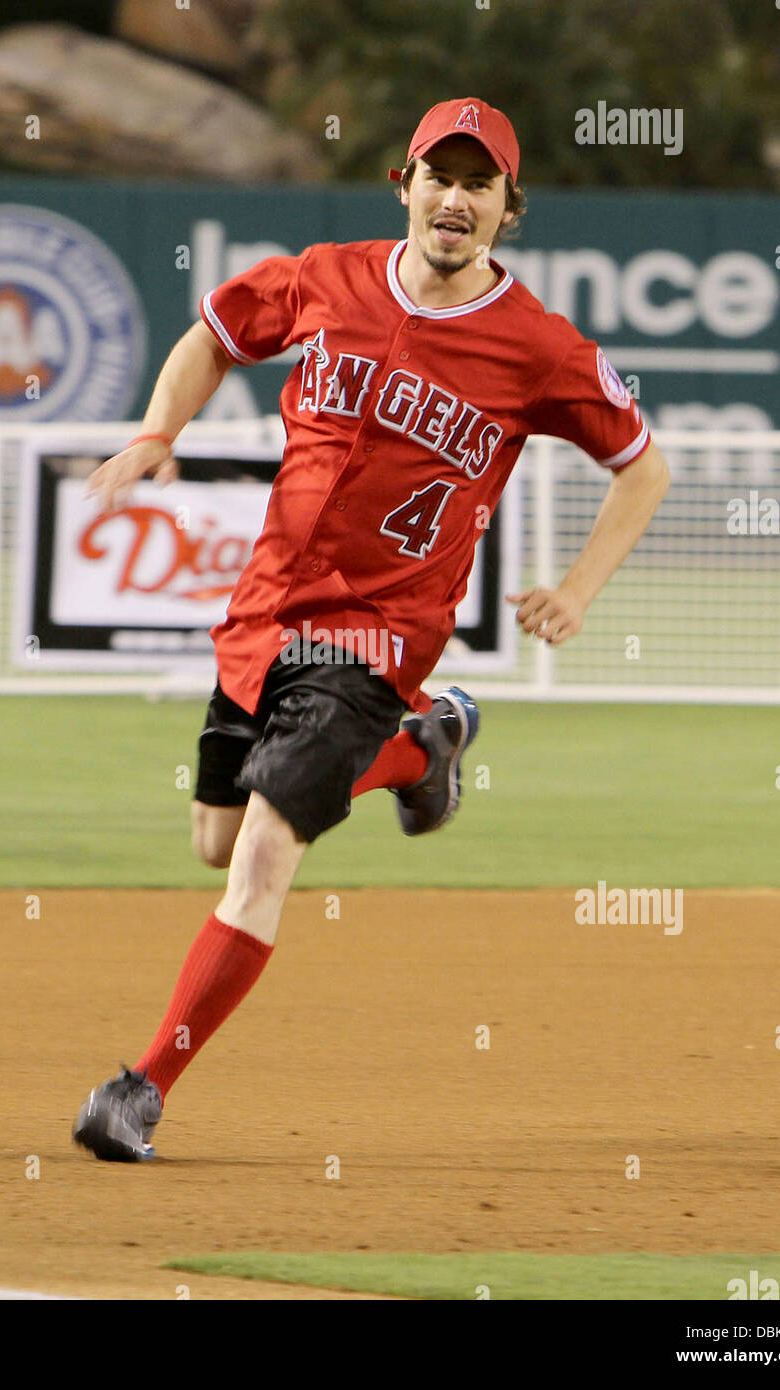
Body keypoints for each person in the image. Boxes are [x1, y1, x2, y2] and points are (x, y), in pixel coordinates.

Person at [73, 97, 670, 1161]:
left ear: (505, 209)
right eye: (437, 176)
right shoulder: (322, 277)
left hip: (376, 635)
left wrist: (578, 587)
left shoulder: (535, 346)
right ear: (403, 187)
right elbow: (212, 334)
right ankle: (417, 752)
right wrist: (159, 430)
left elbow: (644, 465)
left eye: (477, 183)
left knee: (260, 851)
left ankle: (141, 1088)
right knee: (213, 838)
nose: (454, 198)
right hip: (262, 612)